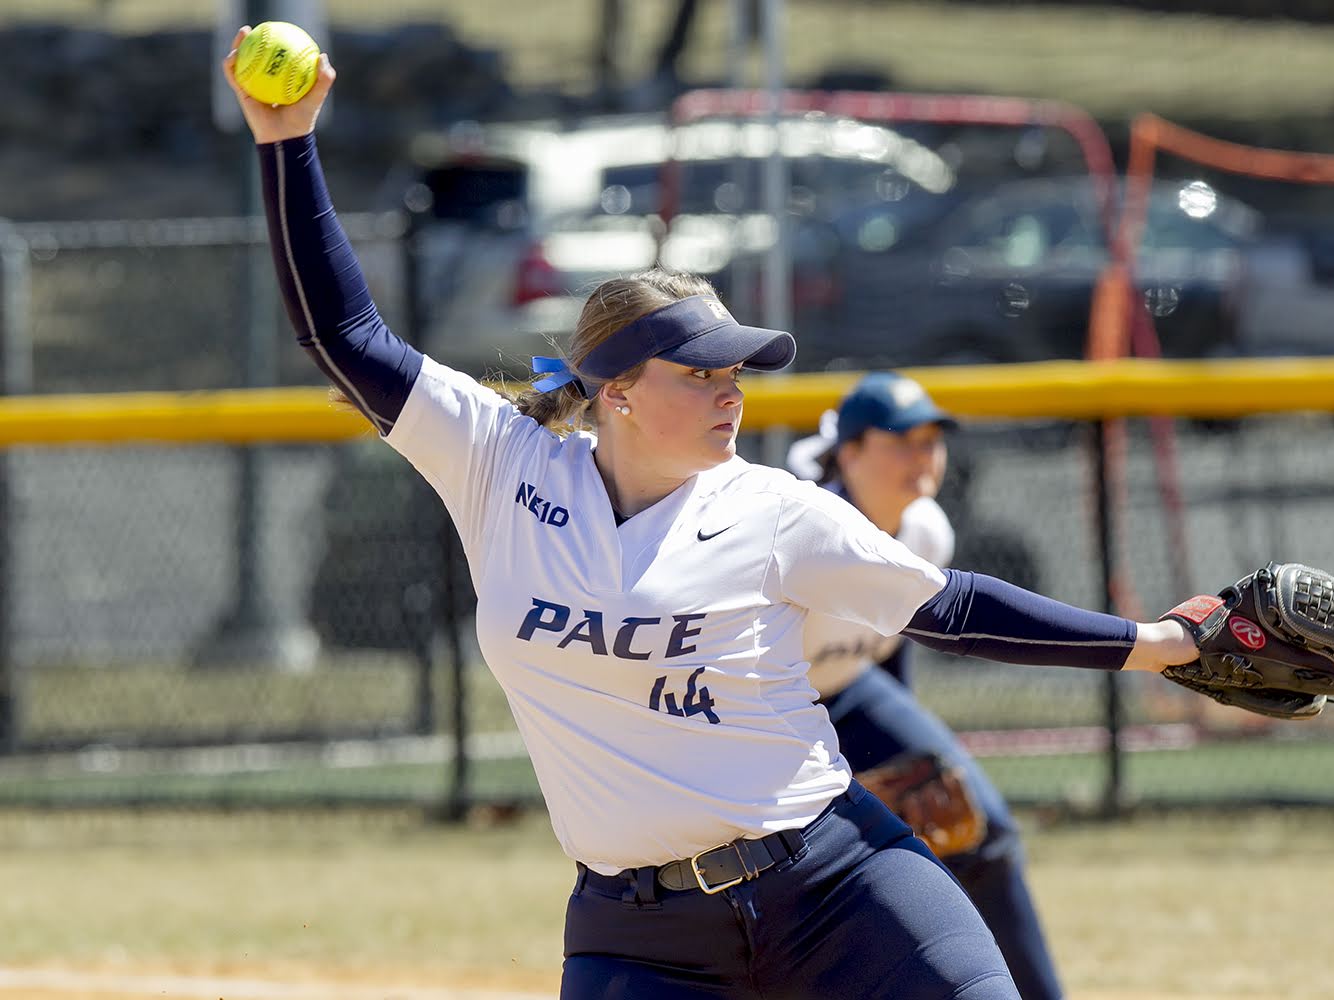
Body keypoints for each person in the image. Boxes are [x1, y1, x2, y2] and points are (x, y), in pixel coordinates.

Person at [222, 33, 1199, 1000]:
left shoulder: (775, 511)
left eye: (735, 372)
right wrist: (288, 142)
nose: (730, 393)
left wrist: (1165, 644)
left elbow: (954, 607)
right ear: (618, 392)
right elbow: (343, 334)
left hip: (837, 884)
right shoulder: (497, 463)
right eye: (699, 374)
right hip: (642, 936)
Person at [788, 373, 1063, 999]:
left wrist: (905, 747)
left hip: (851, 695)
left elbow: (891, 647)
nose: (924, 456)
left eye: (932, 439)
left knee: (983, 832)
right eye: (903, 440)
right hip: (763, 718)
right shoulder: (803, 538)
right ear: (850, 453)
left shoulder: (927, 532)